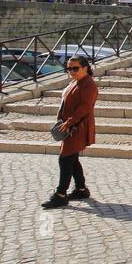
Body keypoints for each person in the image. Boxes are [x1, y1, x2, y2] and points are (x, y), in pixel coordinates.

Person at [42, 56, 98, 209]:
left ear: (85, 67)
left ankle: (60, 194)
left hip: (77, 127)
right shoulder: (76, 82)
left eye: (75, 68)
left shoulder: (89, 85)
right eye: (69, 68)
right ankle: (81, 189)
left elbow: (85, 107)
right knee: (72, 159)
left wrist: (69, 122)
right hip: (70, 126)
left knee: (65, 159)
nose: (72, 71)